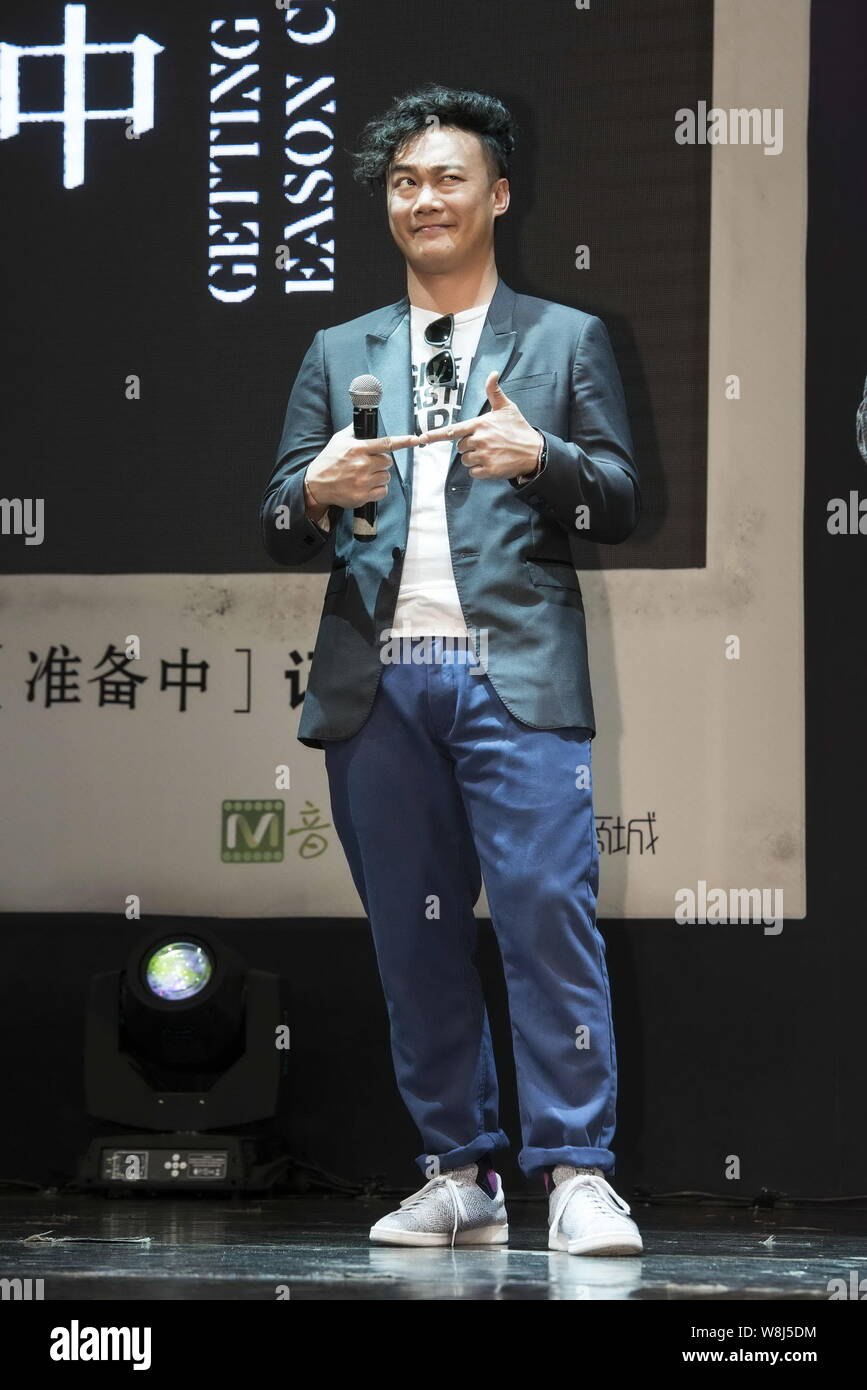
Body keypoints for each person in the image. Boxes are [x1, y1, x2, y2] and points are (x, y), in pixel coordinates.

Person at [260, 84, 643, 1256]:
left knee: (545, 918)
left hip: (510, 674)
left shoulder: (565, 339)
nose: (424, 198)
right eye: (403, 183)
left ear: (499, 196)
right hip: (378, 684)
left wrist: (543, 456)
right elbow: (277, 520)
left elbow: (621, 501)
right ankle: (459, 1170)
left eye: (447, 178)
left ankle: (577, 1171)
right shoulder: (339, 350)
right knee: (412, 938)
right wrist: (314, 489)